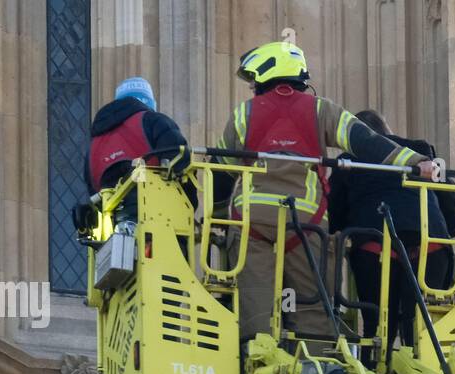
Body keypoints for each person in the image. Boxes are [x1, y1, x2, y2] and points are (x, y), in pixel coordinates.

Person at [213, 42, 437, 340]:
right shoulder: (322, 109)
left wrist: (217, 219)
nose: (253, 87)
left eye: (254, 80)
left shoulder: (243, 114)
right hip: (306, 225)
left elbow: (221, 171)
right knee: (313, 315)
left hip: (251, 221)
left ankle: (257, 368)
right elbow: (367, 141)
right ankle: (315, 370)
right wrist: (416, 162)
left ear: (268, 73)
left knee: (256, 313)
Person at [327, 109, 455, 365]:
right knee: (421, 322)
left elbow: (334, 214)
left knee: (376, 323)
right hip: (430, 245)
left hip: (376, 248)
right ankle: (425, 365)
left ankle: (375, 368)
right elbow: (451, 204)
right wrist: (448, 231)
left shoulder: (349, 159)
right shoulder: (421, 152)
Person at [86, 77, 196, 216]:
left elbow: (93, 193)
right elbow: (181, 163)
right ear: (150, 103)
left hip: (110, 229)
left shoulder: (93, 146)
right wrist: (190, 207)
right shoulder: (154, 121)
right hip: (158, 219)